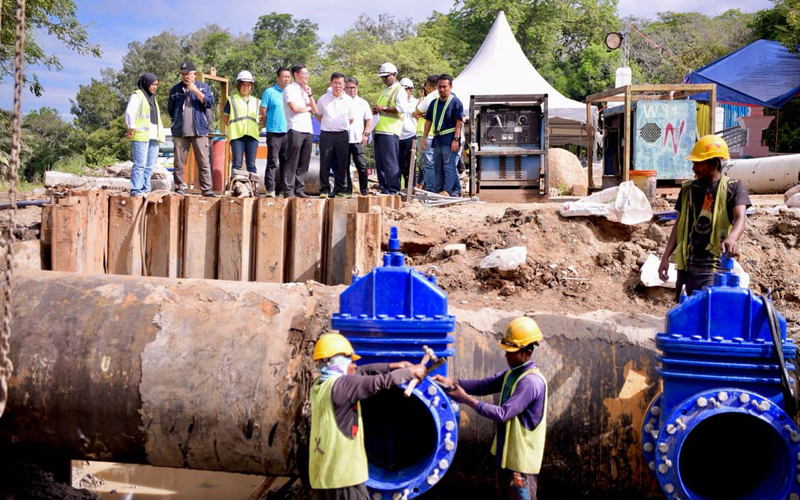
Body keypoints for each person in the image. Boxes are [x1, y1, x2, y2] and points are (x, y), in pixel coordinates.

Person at [433, 317, 547, 500]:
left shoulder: (531, 382)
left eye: (512, 352)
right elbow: (483, 385)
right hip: (506, 461)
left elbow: (503, 414)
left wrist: (465, 399)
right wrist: (453, 382)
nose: (506, 356)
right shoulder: (513, 373)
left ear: (528, 352)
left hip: (520, 468)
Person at [309, 333, 424, 499]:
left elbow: (362, 372)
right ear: (337, 362)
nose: (355, 365)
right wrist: (411, 372)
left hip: (325, 474)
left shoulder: (320, 386)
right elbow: (380, 382)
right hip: (344, 478)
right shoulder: (343, 385)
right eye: (350, 360)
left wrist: (394, 365)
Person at [659, 135, 751, 302]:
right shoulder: (688, 189)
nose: (694, 168)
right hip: (687, 266)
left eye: (698, 163)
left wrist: (732, 238)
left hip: (714, 268)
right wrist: (665, 257)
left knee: (706, 314)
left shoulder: (733, 187)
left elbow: (740, 218)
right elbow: (678, 226)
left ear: (714, 164)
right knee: (685, 314)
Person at [167, 60, 216, 197]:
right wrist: (177, 121)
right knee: (179, 163)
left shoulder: (203, 87)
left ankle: (207, 190)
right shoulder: (175, 89)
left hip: (200, 131)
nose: (185, 77)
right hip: (180, 132)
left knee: (203, 162)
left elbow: (209, 103)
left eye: (188, 74)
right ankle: (179, 189)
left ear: (195, 74)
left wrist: (195, 90)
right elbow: (170, 109)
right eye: (182, 74)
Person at [421, 74, 463, 197]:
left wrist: (456, 139)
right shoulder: (434, 103)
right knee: (437, 166)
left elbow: (459, 122)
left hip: (449, 138)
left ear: (450, 87)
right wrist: (424, 138)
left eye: (445, 87)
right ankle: (438, 190)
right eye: (440, 87)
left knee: (449, 166)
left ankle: (449, 191)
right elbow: (428, 121)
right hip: (437, 139)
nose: (442, 90)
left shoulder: (455, 102)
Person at [124, 73, 165, 197]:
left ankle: (145, 188)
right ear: (146, 84)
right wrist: (131, 127)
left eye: (156, 85)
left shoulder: (153, 98)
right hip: (142, 135)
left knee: (150, 165)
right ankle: (136, 189)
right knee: (139, 164)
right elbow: (129, 112)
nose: (155, 87)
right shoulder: (138, 95)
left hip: (154, 135)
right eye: (153, 84)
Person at [316, 73, 355, 198]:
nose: (337, 86)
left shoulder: (349, 100)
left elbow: (351, 119)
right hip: (327, 134)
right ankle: (324, 189)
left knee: (342, 162)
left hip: (342, 134)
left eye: (340, 83)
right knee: (325, 162)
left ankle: (341, 188)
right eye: (335, 83)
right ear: (331, 83)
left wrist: (339, 126)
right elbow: (319, 116)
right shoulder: (323, 99)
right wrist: (329, 125)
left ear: (344, 85)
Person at [372, 62, 408, 195]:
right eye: (382, 77)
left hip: (391, 131)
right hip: (380, 131)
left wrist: (384, 108)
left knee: (390, 163)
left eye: (386, 77)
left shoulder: (400, 90)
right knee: (380, 164)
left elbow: (401, 109)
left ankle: (393, 190)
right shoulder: (385, 90)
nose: (384, 79)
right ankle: (384, 189)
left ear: (394, 75)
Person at [282, 64, 317, 199]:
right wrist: (307, 108)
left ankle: (299, 188)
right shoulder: (289, 89)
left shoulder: (306, 90)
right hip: (295, 128)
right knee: (292, 160)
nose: (307, 76)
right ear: (296, 75)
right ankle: (288, 190)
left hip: (308, 129)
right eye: (304, 73)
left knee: (304, 161)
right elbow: (295, 108)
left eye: (308, 73)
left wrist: (310, 95)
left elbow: (315, 109)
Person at [222, 70, 260, 180]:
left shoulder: (257, 101)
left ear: (251, 87)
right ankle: (236, 187)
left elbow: (260, 118)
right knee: (237, 163)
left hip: (252, 135)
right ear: (239, 85)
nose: (246, 87)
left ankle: (253, 188)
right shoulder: (232, 100)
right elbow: (225, 118)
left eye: (248, 85)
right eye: (244, 85)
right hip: (237, 136)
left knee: (251, 164)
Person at [260, 67, 292, 197]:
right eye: (284, 76)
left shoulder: (292, 93)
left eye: (288, 77)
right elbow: (263, 111)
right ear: (278, 78)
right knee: (272, 161)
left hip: (289, 132)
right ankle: (270, 189)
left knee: (286, 162)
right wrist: (268, 123)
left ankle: (283, 189)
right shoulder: (269, 92)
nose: (286, 79)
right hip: (274, 132)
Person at [344, 77, 372, 196]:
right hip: (344, 138)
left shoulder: (362, 102)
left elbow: (369, 119)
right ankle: (347, 189)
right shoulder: (342, 101)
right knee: (344, 166)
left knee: (361, 164)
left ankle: (364, 189)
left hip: (357, 139)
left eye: (354, 88)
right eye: (349, 88)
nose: (352, 90)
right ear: (345, 88)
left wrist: (365, 134)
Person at [413, 75, 439, 189]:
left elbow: (417, 110)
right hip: (432, 133)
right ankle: (425, 186)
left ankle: (430, 188)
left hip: (426, 133)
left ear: (428, 86)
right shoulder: (441, 96)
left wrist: (422, 98)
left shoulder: (430, 97)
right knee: (426, 163)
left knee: (427, 163)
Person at [398, 78, 417, 190]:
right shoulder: (397, 102)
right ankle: (397, 188)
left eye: (407, 89)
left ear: (411, 90)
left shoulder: (415, 103)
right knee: (398, 163)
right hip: (398, 136)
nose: (405, 91)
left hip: (411, 136)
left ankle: (411, 188)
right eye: (403, 89)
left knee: (410, 164)